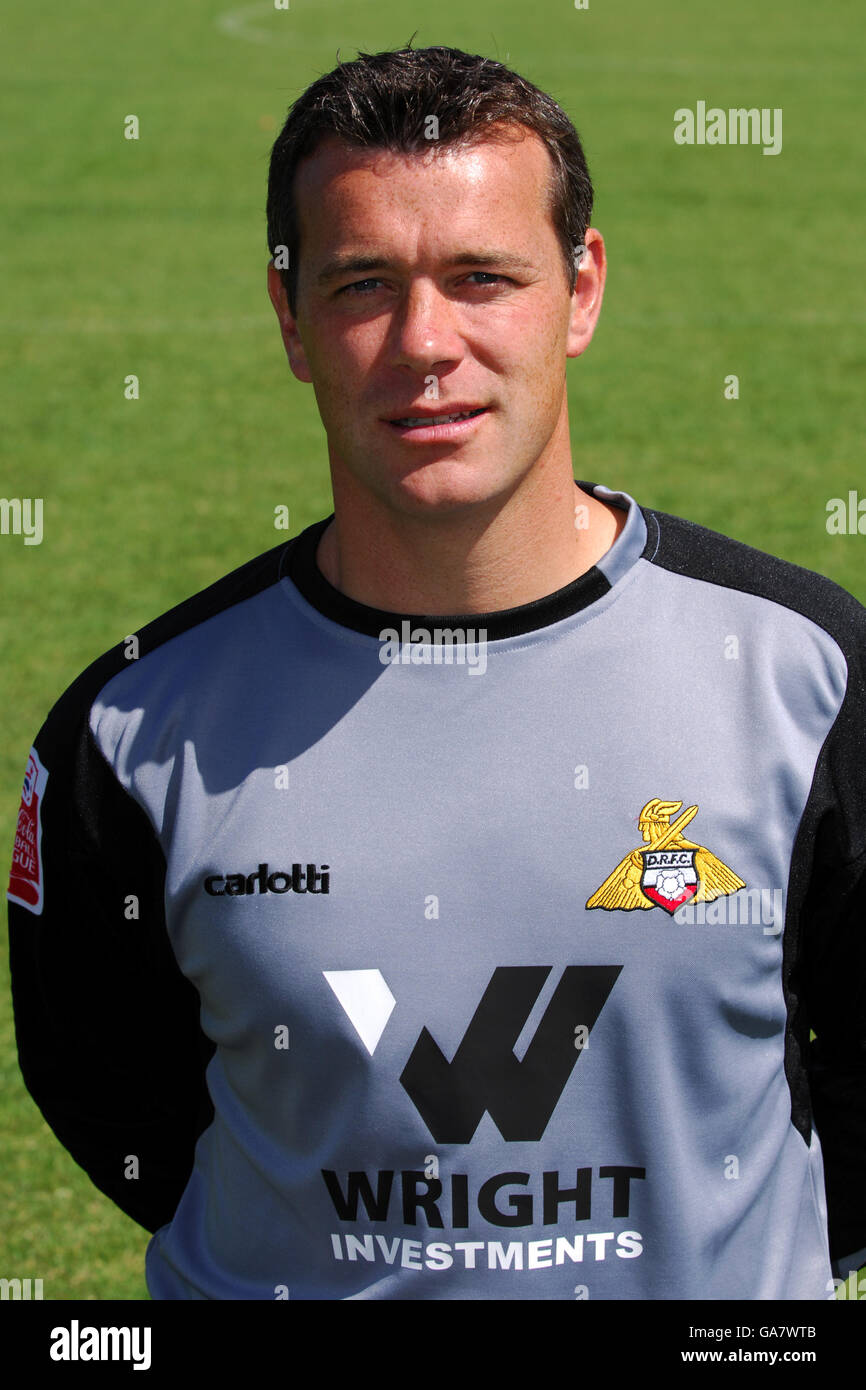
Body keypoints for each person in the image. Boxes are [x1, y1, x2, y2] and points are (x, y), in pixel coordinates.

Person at [7, 43, 865, 1301]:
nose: (423, 342)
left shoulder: (806, 671)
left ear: (579, 290)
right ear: (288, 315)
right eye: (363, 284)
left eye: (481, 278)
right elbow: (110, 1093)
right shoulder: (136, 726)